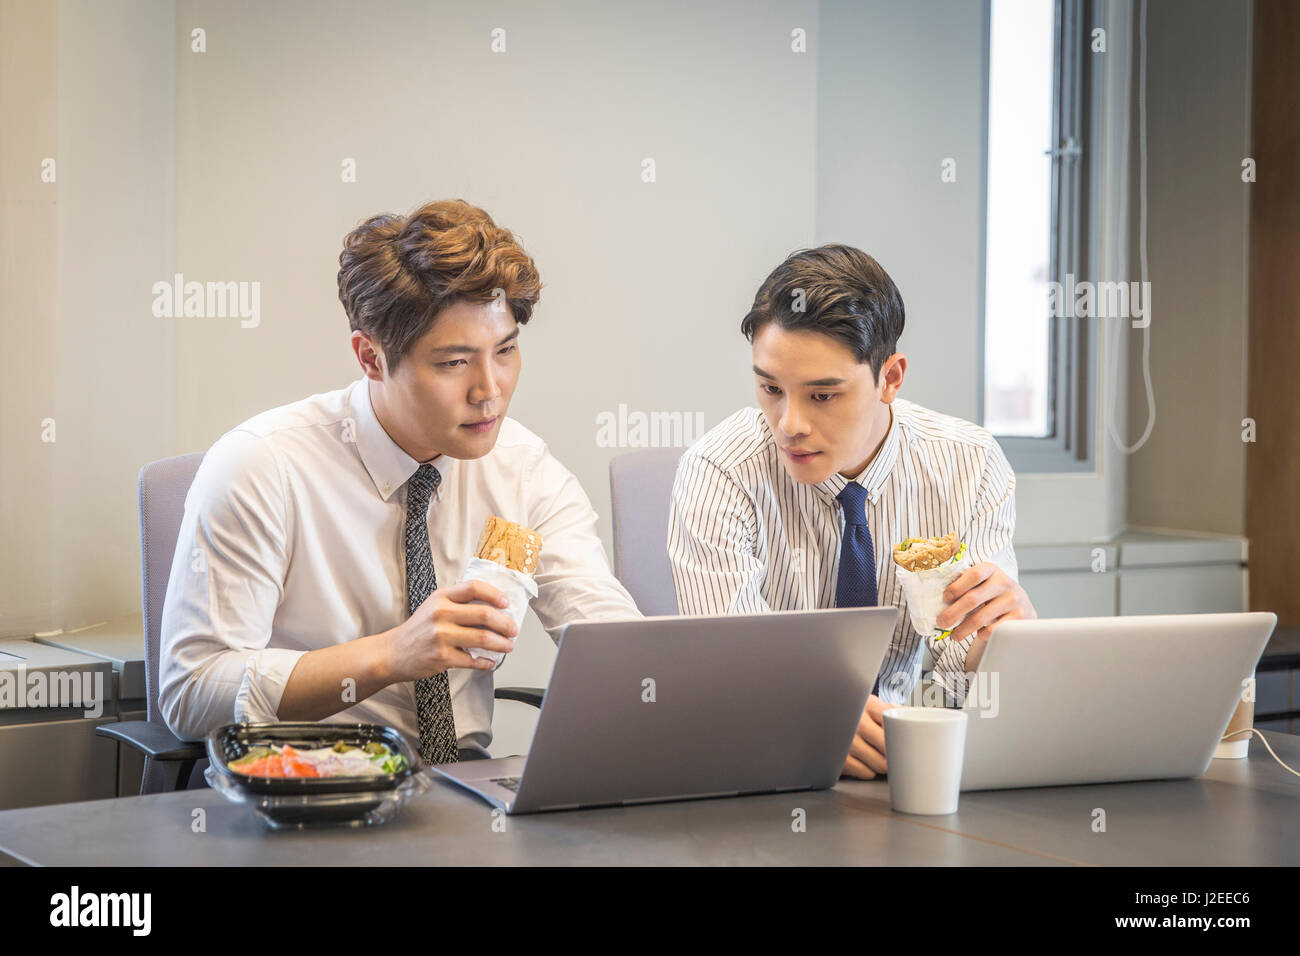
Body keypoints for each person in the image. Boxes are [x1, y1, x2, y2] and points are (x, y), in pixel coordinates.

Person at [158, 199, 640, 763]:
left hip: (461, 794)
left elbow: (613, 645)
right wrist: (390, 655)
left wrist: (652, 680)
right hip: (305, 785)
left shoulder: (524, 469)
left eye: (505, 351)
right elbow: (191, 691)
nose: (490, 390)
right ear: (370, 356)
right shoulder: (262, 467)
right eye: (454, 363)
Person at [667, 244, 1036, 780]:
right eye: (770, 388)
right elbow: (729, 666)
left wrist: (999, 642)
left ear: (890, 378)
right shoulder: (719, 472)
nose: (789, 423)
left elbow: (961, 674)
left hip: (900, 763)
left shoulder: (969, 466)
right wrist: (813, 714)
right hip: (757, 770)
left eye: (822, 396)